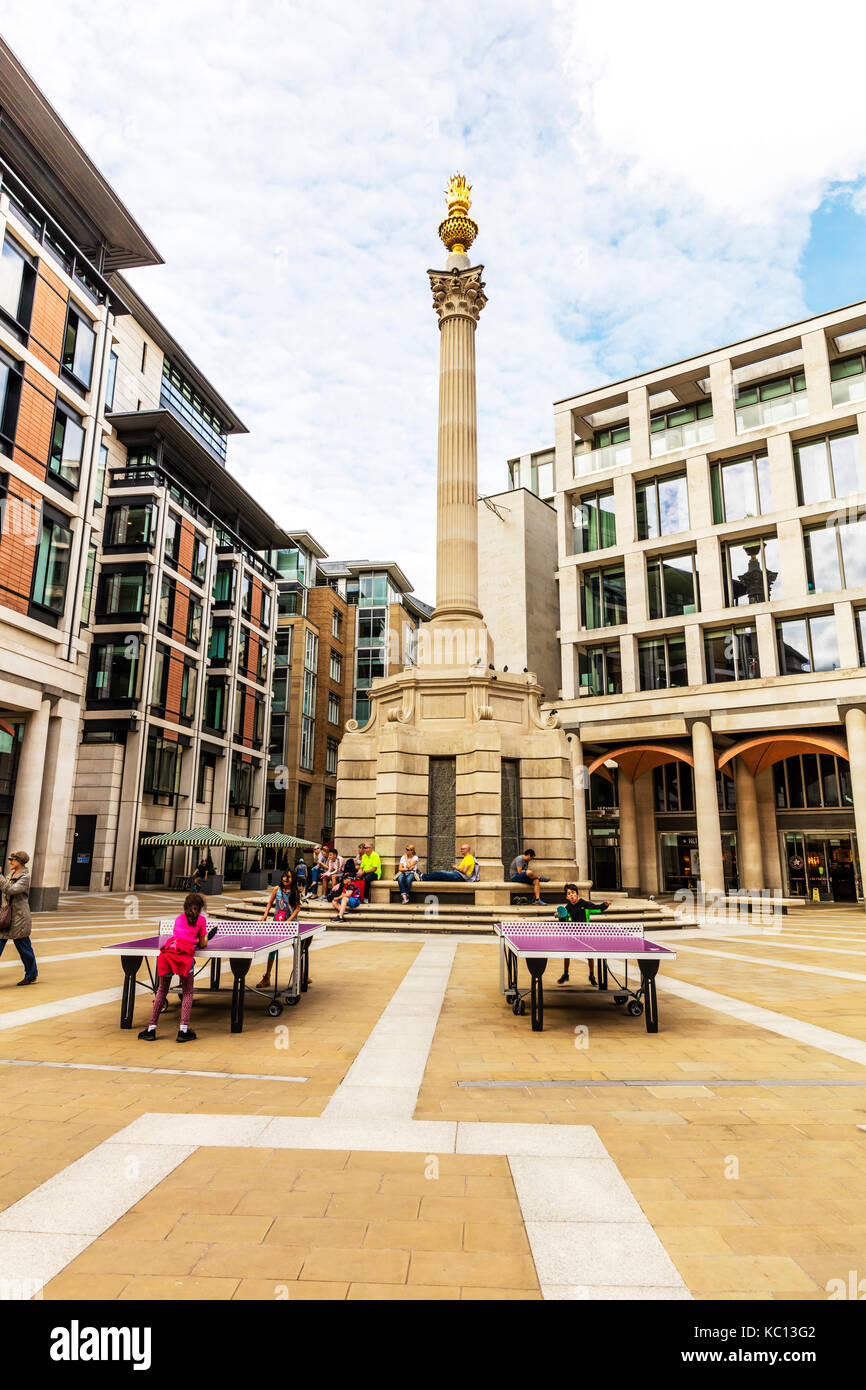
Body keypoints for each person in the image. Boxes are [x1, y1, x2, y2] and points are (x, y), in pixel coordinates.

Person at [139, 892, 208, 1042]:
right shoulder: (201, 921)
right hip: (184, 958)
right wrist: (200, 939)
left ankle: (151, 1029)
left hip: (167, 955)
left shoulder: (178, 919)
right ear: (200, 908)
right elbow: (202, 944)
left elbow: (181, 936)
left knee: (162, 990)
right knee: (188, 991)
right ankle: (183, 1031)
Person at [557, 883, 611, 987]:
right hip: (572, 935)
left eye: (573, 893)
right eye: (569, 894)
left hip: (585, 934)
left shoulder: (584, 904)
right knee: (566, 954)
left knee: (590, 955)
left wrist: (605, 905)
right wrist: (560, 918)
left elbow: (597, 908)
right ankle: (566, 974)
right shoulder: (567, 908)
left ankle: (591, 975)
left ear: (577, 894)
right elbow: (563, 922)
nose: (571, 895)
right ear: (566, 897)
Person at [257, 868, 301, 989]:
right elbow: (270, 903)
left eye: (289, 877)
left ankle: (302, 975)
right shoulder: (277, 889)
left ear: (293, 880)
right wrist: (265, 914)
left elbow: (297, 908)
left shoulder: (294, 891)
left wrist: (289, 921)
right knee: (272, 950)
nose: (286, 878)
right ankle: (267, 977)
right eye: (285, 876)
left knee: (297, 950)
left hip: (291, 925)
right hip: (277, 924)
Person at [0, 849, 36, 986]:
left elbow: (11, 890)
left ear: (20, 862)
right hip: (6, 917)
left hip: (19, 918)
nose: (9, 862)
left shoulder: (25, 877)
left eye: (12, 860)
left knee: (24, 949)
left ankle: (31, 975)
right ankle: (32, 974)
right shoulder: (11, 874)